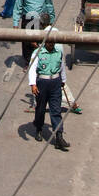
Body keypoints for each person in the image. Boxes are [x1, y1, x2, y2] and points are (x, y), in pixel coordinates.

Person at [27, 17, 69, 150]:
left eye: (53, 42)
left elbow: (61, 67)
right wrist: (33, 84)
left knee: (56, 110)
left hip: (55, 83)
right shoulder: (37, 53)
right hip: (42, 83)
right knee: (40, 109)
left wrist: (63, 81)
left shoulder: (58, 53)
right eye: (49, 42)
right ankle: (39, 128)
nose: (51, 44)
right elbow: (32, 69)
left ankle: (59, 137)